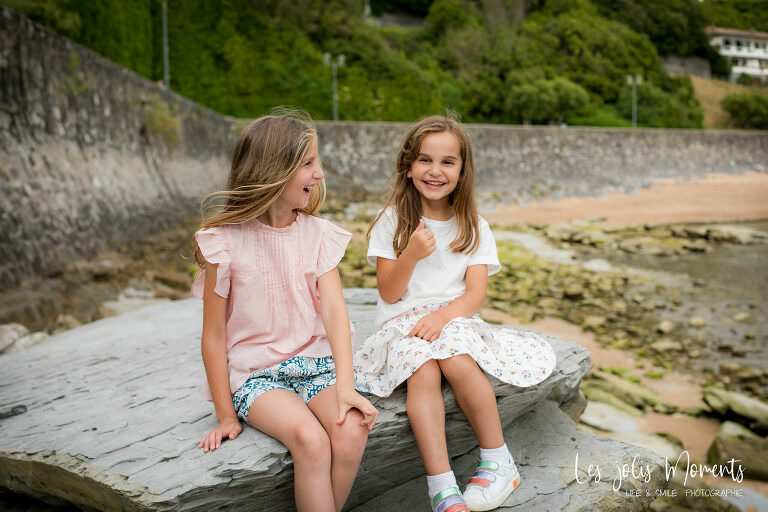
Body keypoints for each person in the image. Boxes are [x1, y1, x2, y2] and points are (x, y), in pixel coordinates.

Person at [354, 116, 556, 512]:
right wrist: (410, 254)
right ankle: (442, 487)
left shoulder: (474, 225)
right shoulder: (392, 221)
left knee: (457, 360)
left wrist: (443, 318)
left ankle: (498, 461)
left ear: (462, 170)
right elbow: (390, 292)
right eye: (425, 160)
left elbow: (475, 295)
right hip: (403, 322)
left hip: (455, 318)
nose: (435, 171)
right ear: (408, 167)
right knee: (422, 370)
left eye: (448, 162)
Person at [192, 113, 378, 512]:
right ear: (275, 170)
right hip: (256, 375)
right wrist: (225, 415)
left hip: (314, 364)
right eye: (309, 163)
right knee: (311, 441)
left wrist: (345, 387)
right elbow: (213, 337)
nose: (321, 173)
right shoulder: (223, 242)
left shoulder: (318, 235)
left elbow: (334, 312)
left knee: (351, 431)